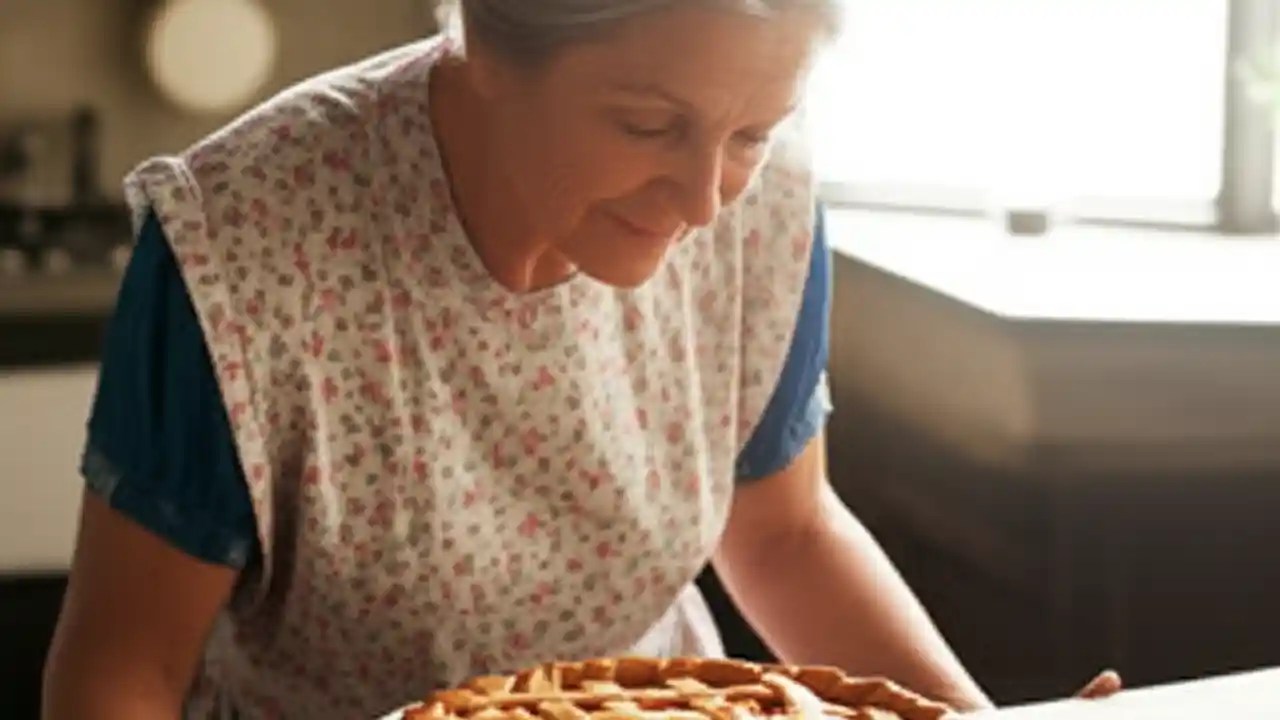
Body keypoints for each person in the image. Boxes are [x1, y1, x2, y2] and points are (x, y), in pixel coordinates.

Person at [42, 2, 1119, 718]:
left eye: (750, 133)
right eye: (649, 125)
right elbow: (122, 668)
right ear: (484, 42)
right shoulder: (243, 240)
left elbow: (783, 532)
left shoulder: (768, 201)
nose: (706, 204)